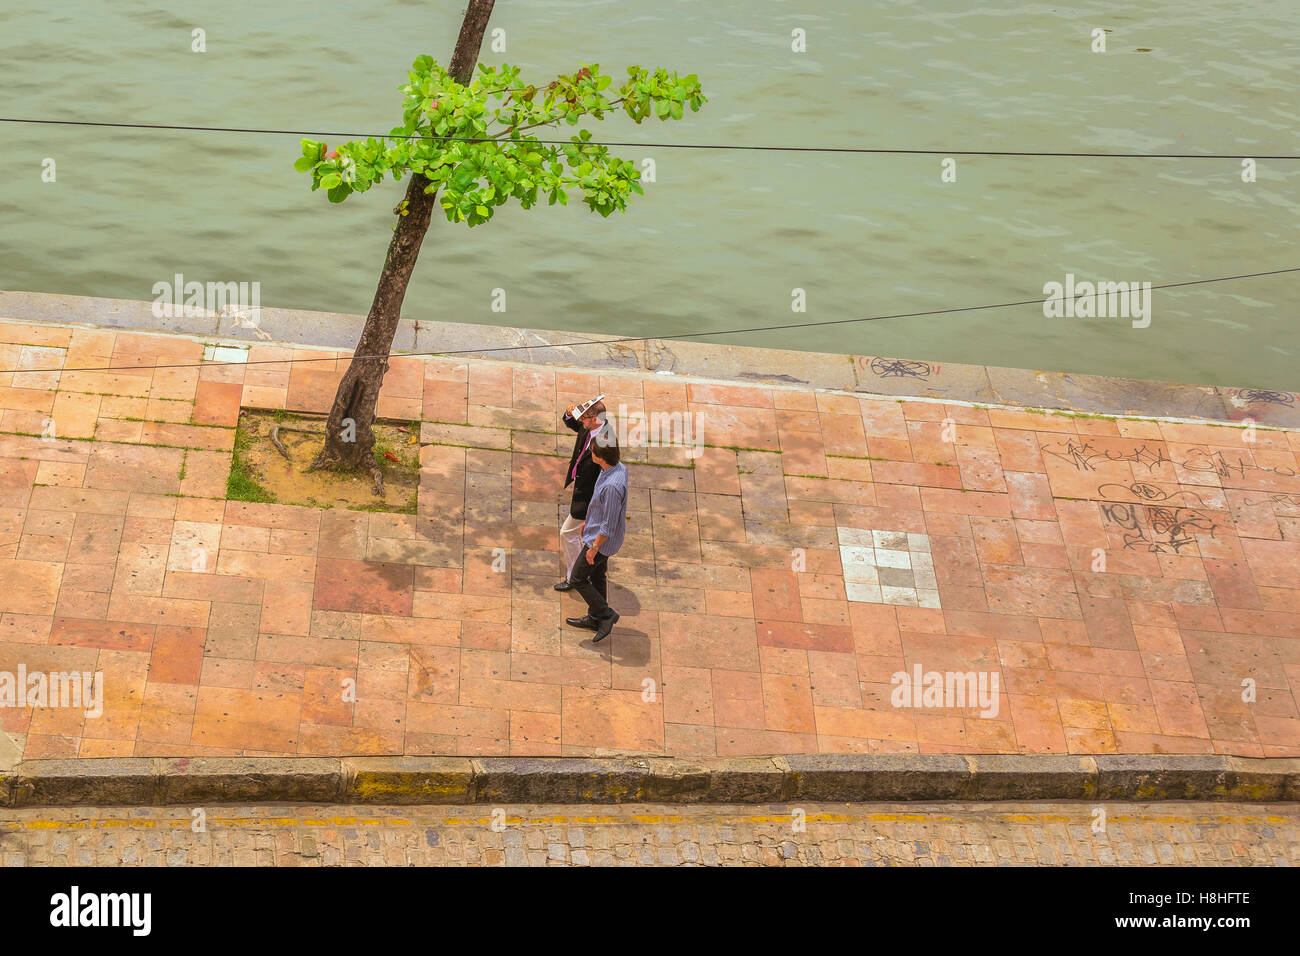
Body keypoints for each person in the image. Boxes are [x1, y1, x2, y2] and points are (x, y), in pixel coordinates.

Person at [565, 432, 627, 643]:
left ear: (601, 455)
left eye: (592, 451)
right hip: (596, 533)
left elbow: (608, 525)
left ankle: (606, 615)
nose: (590, 453)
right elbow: (602, 510)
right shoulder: (615, 468)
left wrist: (593, 548)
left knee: (578, 578)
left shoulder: (612, 486)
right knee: (598, 576)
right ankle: (595, 617)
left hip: (600, 542)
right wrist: (588, 522)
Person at [554, 399, 606, 592]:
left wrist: (595, 505)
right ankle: (589, 570)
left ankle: (574, 576)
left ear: (594, 419)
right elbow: (573, 423)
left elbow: (605, 476)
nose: (581, 419)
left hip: (589, 497)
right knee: (583, 536)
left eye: (584, 417)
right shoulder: (590, 426)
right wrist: (569, 414)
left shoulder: (605, 442)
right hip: (582, 490)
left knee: (567, 534)